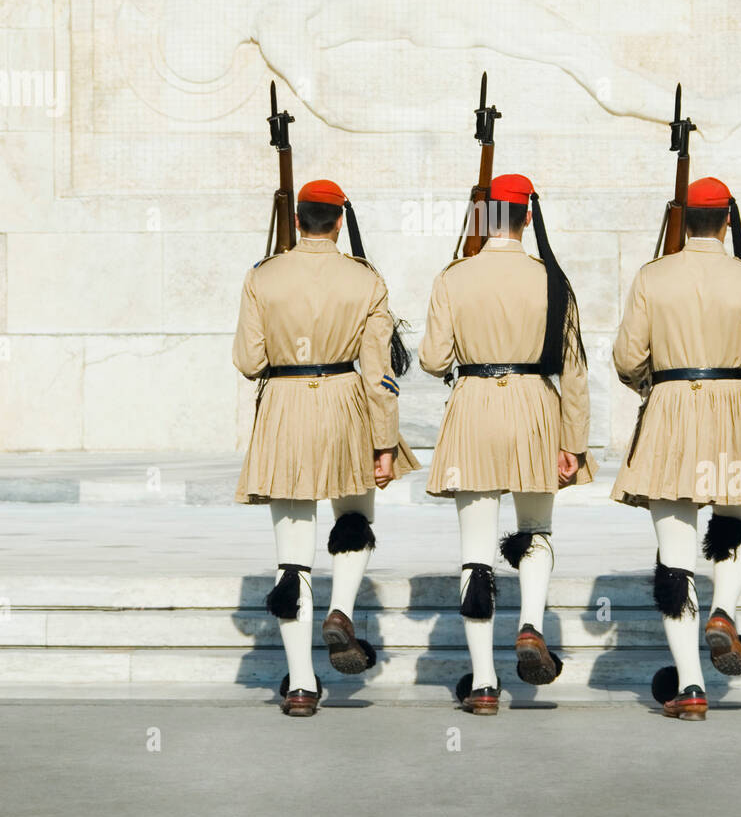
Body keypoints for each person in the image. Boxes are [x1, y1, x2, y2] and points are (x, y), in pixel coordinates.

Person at [233, 179, 418, 717]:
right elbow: (379, 372)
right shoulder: (364, 279)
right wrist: (384, 442)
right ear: (339, 221)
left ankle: (301, 686)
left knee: (292, 556)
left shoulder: (262, 276)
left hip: (286, 405)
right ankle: (340, 610)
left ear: (297, 221)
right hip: (344, 399)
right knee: (355, 516)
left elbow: (248, 362)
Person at [612, 177, 741, 721]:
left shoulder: (653, 275)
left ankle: (689, 687)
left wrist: (656, 383)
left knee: (674, 557)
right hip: (734, 406)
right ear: (729, 222)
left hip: (669, 407)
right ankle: (724, 611)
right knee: (734, 521)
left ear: (682, 222)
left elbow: (625, 357)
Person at [420, 174, 595, 715]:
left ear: (484, 218)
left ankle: (485, 683)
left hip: (473, 404)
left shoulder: (455, 276)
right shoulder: (553, 281)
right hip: (535, 407)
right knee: (535, 529)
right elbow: (575, 371)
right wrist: (575, 440)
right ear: (526, 218)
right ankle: (530, 625)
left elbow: (431, 360)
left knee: (476, 553)